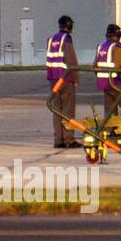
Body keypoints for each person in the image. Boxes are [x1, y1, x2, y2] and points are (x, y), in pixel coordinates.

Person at [46, 15, 80, 148]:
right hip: (65, 78)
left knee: (57, 109)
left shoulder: (51, 39)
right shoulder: (67, 39)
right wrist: (75, 78)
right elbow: (71, 60)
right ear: (69, 25)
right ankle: (69, 139)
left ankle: (58, 139)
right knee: (68, 109)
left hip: (53, 78)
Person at [94, 23, 121, 120]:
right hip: (115, 83)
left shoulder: (100, 47)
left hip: (104, 83)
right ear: (118, 35)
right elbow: (118, 67)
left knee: (109, 111)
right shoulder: (117, 47)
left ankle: (109, 131)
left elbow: (95, 66)